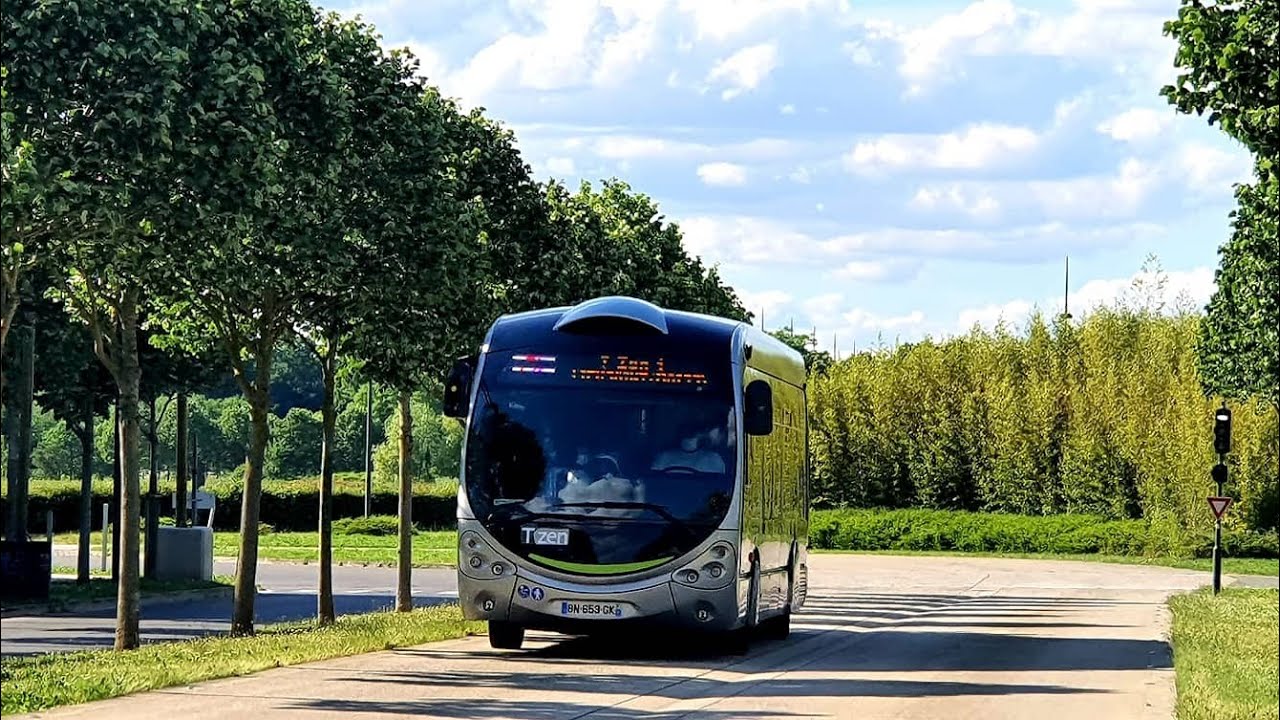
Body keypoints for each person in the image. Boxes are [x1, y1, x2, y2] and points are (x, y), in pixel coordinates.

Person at [651, 420, 726, 474]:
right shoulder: (663, 457)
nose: (689, 435)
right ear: (679, 435)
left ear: (701, 435)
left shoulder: (713, 459)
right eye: (686, 433)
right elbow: (655, 483)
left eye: (693, 433)